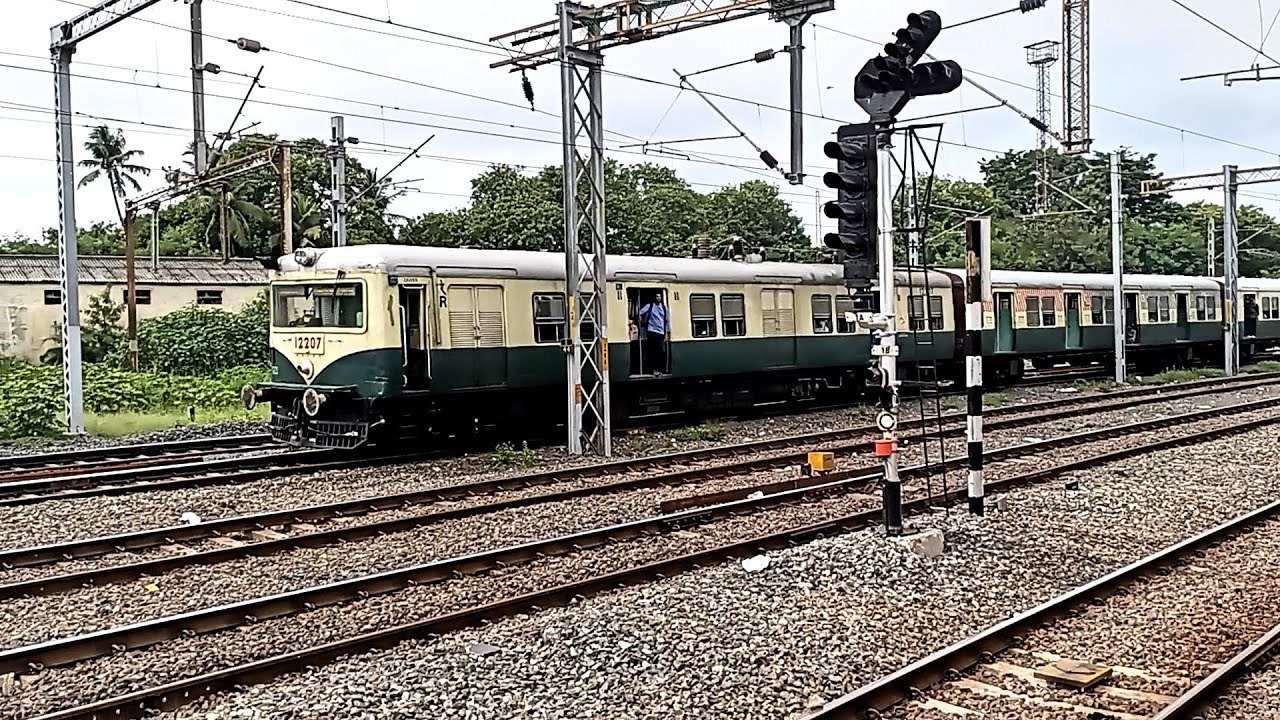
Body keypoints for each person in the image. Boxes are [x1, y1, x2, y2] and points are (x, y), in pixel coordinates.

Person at [637, 292, 669, 375]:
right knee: (654, 351)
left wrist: (666, 333)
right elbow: (639, 312)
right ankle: (654, 370)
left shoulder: (664, 308)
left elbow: (666, 320)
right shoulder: (650, 306)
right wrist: (641, 319)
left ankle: (659, 369)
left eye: (659, 296)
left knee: (660, 352)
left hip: (661, 332)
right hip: (652, 331)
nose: (658, 298)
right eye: (656, 296)